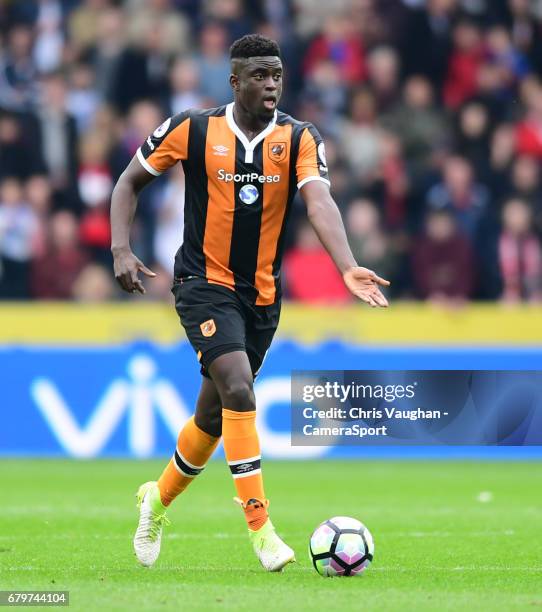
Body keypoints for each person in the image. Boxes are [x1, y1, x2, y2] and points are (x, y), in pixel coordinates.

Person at [110, 34, 389, 573]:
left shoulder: (300, 137)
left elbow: (320, 201)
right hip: (201, 284)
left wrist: (345, 263)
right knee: (239, 385)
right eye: (259, 75)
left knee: (213, 414)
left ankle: (155, 502)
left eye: (277, 75)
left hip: (262, 296)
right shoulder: (191, 128)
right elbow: (128, 183)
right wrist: (121, 248)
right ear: (234, 81)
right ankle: (261, 529)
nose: (271, 85)